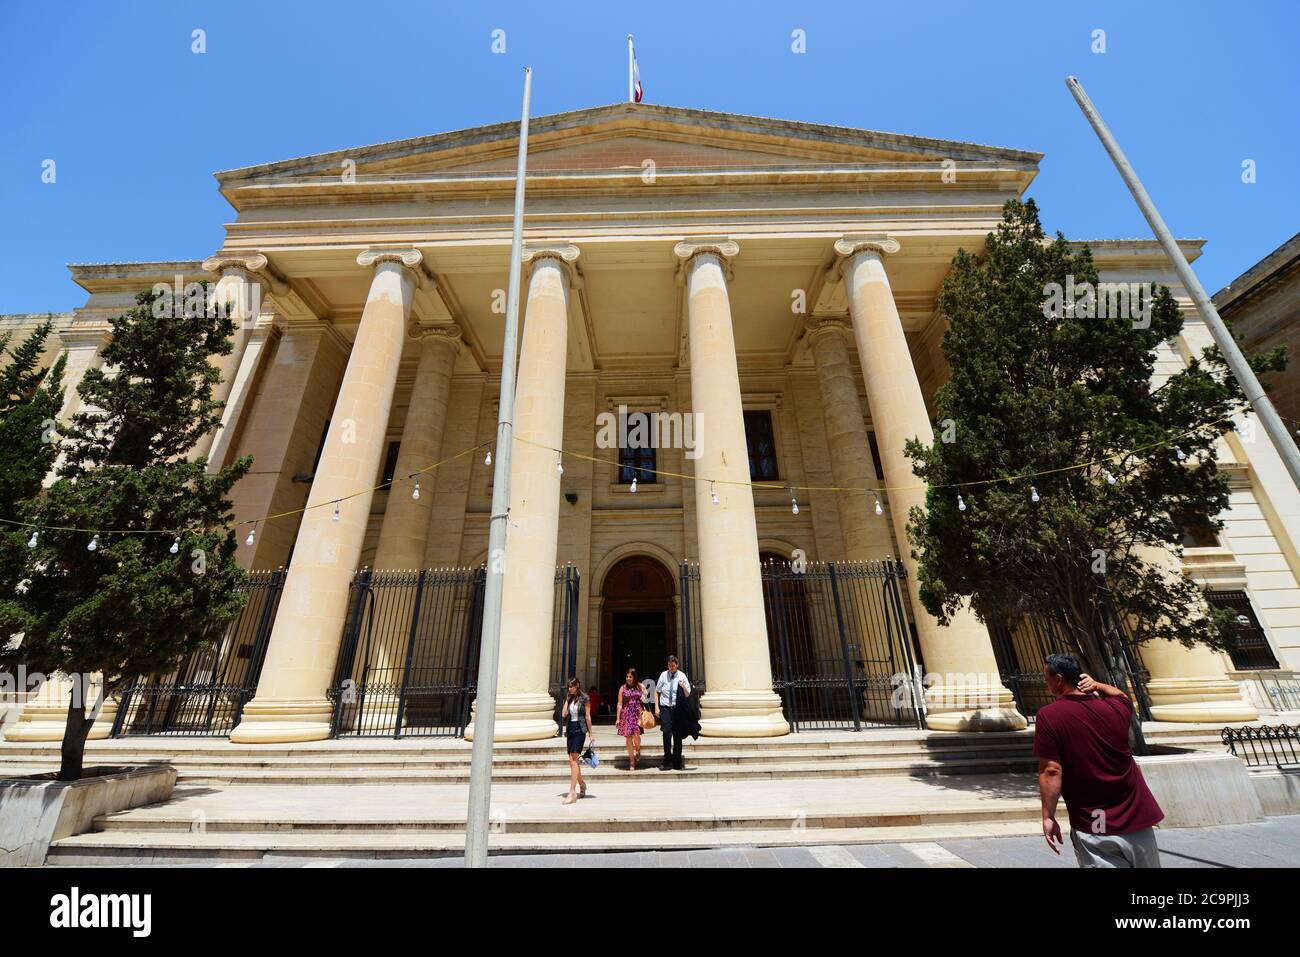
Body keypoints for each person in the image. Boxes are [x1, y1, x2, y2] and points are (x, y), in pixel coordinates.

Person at [1034, 653, 1164, 868]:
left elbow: (1051, 771)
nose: (1045, 681)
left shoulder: (1050, 716)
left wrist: (1048, 816)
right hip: (1137, 820)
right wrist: (1097, 685)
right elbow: (1121, 696)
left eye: (1045, 676)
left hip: (1095, 822)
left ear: (1058, 679)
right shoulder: (1114, 709)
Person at [653, 656, 693, 770]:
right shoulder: (663, 675)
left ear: (677, 665)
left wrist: (683, 686)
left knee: (677, 735)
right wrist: (656, 707)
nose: (671, 667)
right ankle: (667, 758)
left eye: (673, 665)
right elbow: (657, 691)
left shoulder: (682, 676)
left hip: (677, 709)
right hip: (666, 707)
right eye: (669, 665)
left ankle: (677, 760)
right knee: (666, 732)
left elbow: (687, 694)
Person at [561, 677, 593, 805]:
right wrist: (567, 700)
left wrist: (591, 733)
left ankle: (572, 792)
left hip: (580, 729)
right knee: (572, 762)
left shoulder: (585, 698)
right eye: (569, 686)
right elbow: (564, 714)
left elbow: (587, 716)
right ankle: (582, 784)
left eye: (572, 686)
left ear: (577, 686)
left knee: (574, 759)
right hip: (570, 729)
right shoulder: (570, 698)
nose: (570, 688)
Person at [614, 667, 644, 771]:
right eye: (627, 676)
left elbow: (646, 698)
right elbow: (619, 703)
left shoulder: (639, 686)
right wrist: (618, 718)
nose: (628, 678)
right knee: (628, 738)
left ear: (634, 677)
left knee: (636, 736)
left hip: (637, 714)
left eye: (630, 677)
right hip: (627, 714)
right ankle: (632, 761)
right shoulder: (622, 688)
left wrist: (644, 693)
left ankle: (638, 749)